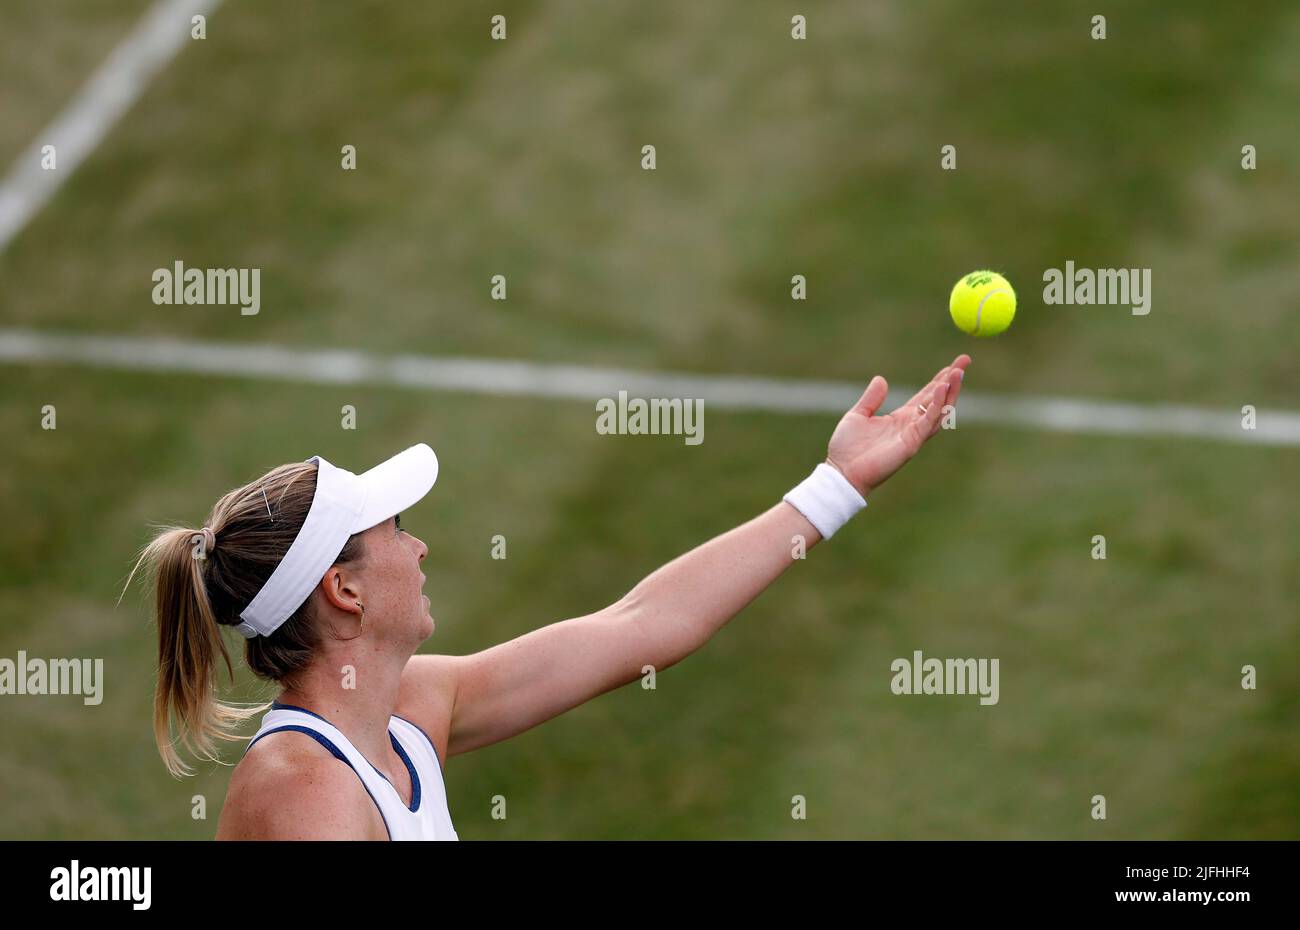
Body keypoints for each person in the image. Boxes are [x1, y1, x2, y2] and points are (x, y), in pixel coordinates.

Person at [133, 355, 970, 839]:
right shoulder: (300, 792)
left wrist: (836, 485)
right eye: (395, 531)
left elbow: (642, 624)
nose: (419, 546)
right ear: (343, 589)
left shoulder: (409, 710)